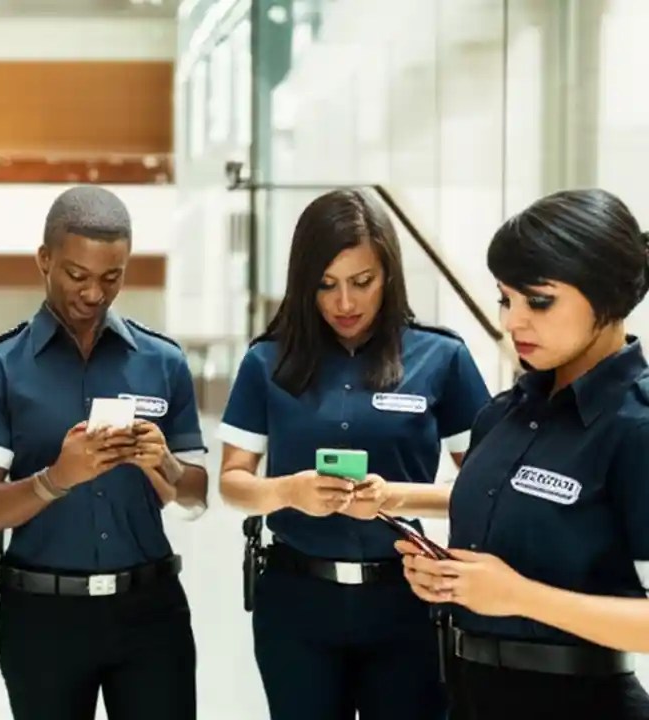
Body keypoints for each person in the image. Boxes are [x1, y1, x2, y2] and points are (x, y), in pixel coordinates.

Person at [218, 188, 491, 720]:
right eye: (326, 285)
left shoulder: (442, 357)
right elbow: (232, 482)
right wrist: (288, 492)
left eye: (362, 283)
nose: (345, 303)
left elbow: (485, 493)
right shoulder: (266, 361)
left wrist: (397, 497)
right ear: (304, 284)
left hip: (404, 598)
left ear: (388, 273)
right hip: (296, 602)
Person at [0, 185, 208, 720]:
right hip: (42, 617)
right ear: (44, 260)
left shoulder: (162, 361)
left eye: (111, 277)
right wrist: (57, 477)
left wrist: (162, 462)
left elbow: (195, 498)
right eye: (77, 275)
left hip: (150, 613)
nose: (94, 293)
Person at [399, 189, 649, 719]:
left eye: (538, 301)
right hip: (466, 695)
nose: (513, 322)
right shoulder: (503, 414)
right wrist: (446, 580)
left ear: (607, 297)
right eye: (505, 299)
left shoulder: (636, 428)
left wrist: (519, 597)